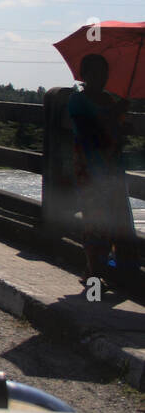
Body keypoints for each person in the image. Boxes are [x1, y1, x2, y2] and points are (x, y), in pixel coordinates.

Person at [68, 53, 137, 283]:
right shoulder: (78, 101)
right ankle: (96, 273)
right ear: (85, 75)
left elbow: (117, 132)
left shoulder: (108, 99)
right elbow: (90, 131)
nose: (101, 77)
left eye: (104, 72)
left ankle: (102, 270)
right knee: (96, 220)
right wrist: (115, 114)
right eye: (95, 72)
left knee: (116, 218)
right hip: (90, 168)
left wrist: (122, 121)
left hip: (112, 168)